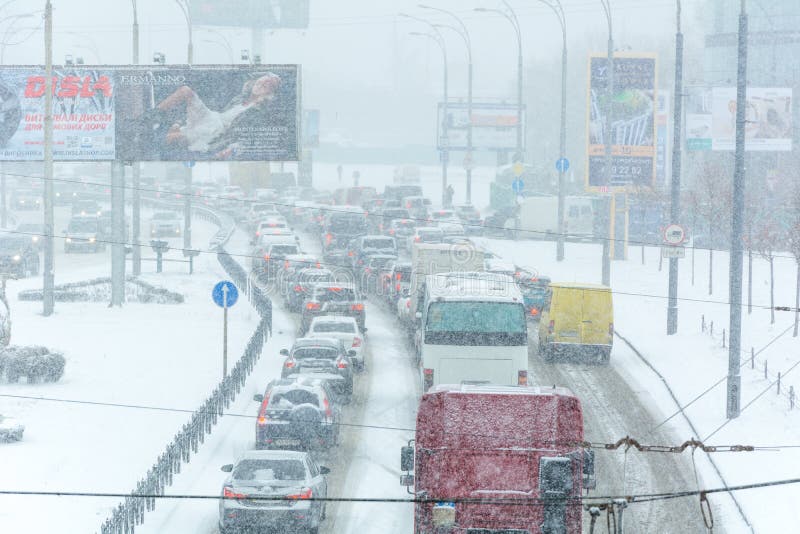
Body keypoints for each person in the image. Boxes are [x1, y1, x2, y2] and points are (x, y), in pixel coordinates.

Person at [150, 72, 282, 159]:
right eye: (260, 82)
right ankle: (149, 118)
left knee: (173, 136)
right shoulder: (239, 99)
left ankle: (151, 145)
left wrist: (228, 150)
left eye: (266, 85)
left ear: (270, 93)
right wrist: (179, 122)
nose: (260, 85)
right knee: (185, 91)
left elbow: (248, 137)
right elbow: (219, 111)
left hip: (216, 131)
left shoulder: (259, 112)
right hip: (212, 117)